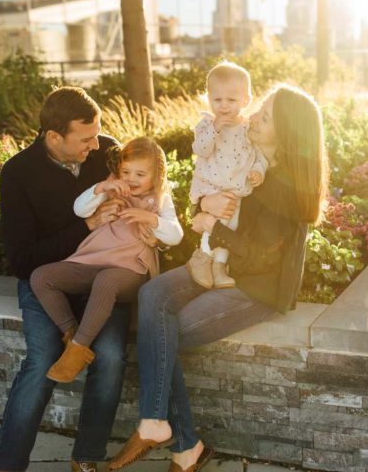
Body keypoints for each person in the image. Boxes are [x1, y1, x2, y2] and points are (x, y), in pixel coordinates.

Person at [108, 84, 329, 472]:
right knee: (153, 295)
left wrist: (214, 224)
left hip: (256, 286)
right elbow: (213, 182)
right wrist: (201, 203)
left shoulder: (286, 186)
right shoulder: (255, 158)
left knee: (165, 332)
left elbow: (260, 257)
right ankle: (175, 437)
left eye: (265, 116)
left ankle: (168, 432)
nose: (254, 118)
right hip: (220, 265)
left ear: (287, 130)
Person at [0, 86, 131, 472]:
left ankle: (86, 458)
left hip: (101, 279)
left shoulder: (106, 152)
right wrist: (85, 226)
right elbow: (23, 261)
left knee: (111, 357)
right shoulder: (18, 173)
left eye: (97, 133)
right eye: (85, 139)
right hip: (43, 281)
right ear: (54, 136)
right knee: (41, 361)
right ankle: (5, 467)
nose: (96, 144)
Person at [30, 137, 183, 384]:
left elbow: (175, 235)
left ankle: (80, 345)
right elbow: (80, 210)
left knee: (107, 280)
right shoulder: (112, 187)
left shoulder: (159, 199)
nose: (131, 179)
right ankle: (73, 339)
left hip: (130, 270)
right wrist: (100, 189)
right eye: (126, 172)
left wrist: (150, 219)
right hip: (93, 260)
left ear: (156, 176)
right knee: (42, 277)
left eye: (140, 174)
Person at [186, 61, 267, 289]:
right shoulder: (206, 124)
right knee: (217, 220)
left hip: (235, 190)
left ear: (246, 101)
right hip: (212, 186)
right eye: (217, 100)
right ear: (208, 99)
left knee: (228, 228)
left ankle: (219, 266)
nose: (223, 107)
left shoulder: (247, 127)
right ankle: (202, 256)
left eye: (231, 100)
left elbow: (259, 154)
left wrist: (258, 171)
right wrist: (215, 129)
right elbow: (201, 149)